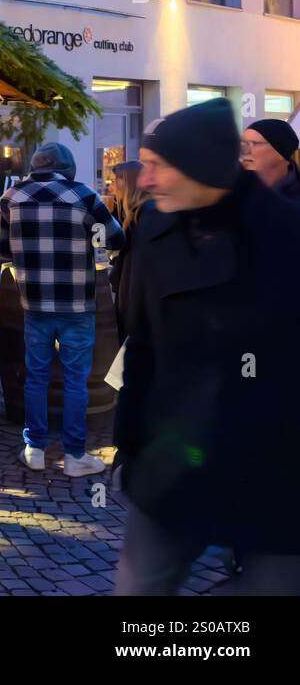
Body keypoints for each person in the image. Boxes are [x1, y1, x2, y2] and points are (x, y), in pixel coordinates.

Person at [114, 98, 300, 595]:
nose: (144, 180)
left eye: (157, 167)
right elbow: (142, 348)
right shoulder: (155, 231)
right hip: (173, 462)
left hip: (275, 470)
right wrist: (130, 441)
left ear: (198, 169)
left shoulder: (286, 236)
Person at [0, 142, 123, 478]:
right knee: (76, 381)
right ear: (68, 167)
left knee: (35, 377)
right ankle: (75, 454)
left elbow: (1, 250)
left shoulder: (10, 198)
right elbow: (115, 238)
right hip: (78, 303)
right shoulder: (83, 195)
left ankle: (34, 448)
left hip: (33, 303)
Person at [109, 159, 152, 331]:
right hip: (130, 285)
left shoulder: (145, 213)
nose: (112, 186)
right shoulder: (130, 211)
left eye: (116, 180)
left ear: (128, 183)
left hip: (136, 290)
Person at [240, 118, 300, 202]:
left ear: (280, 152)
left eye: (253, 143)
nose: (244, 150)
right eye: (243, 144)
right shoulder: (233, 191)